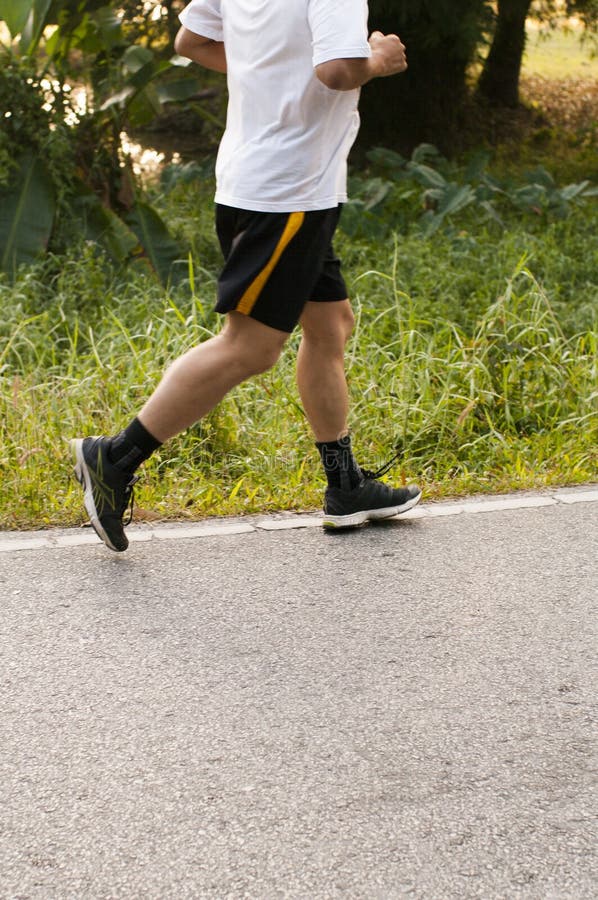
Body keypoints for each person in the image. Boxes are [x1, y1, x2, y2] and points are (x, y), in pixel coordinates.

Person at [71, 0, 421, 552]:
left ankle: (345, 485)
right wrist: (377, 57)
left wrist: (271, 71)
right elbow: (337, 71)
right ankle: (113, 458)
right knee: (250, 347)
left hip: (266, 181)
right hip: (288, 195)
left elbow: (191, 41)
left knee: (330, 324)